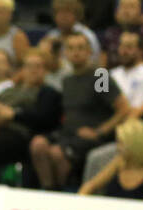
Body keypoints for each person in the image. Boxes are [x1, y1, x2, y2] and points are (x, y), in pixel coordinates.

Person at [29, 31, 130, 189]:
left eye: (80, 48)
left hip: (91, 136)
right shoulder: (67, 80)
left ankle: (65, 195)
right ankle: (47, 190)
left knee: (56, 153)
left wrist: (99, 132)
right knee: (37, 144)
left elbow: (124, 110)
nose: (76, 52)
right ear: (65, 53)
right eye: (71, 48)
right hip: (67, 134)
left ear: (89, 52)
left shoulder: (99, 76)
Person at [0, 48, 62, 182]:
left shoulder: (48, 92)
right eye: (29, 66)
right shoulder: (10, 90)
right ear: (22, 69)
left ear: (45, 70)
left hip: (21, 134)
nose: (33, 70)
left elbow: (45, 119)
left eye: (38, 66)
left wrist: (13, 115)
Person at [78, 116, 143, 199]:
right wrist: (81, 199)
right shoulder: (120, 161)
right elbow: (91, 185)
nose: (118, 147)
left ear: (135, 145)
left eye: (121, 143)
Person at [100, 0, 143, 68]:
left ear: (140, 11)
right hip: (111, 76)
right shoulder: (110, 33)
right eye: (123, 6)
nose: (126, 10)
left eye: (131, 6)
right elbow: (103, 63)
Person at [111, 29, 143, 117]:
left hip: (131, 122)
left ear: (140, 51)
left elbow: (137, 110)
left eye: (129, 47)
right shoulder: (112, 74)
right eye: (122, 47)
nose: (124, 51)